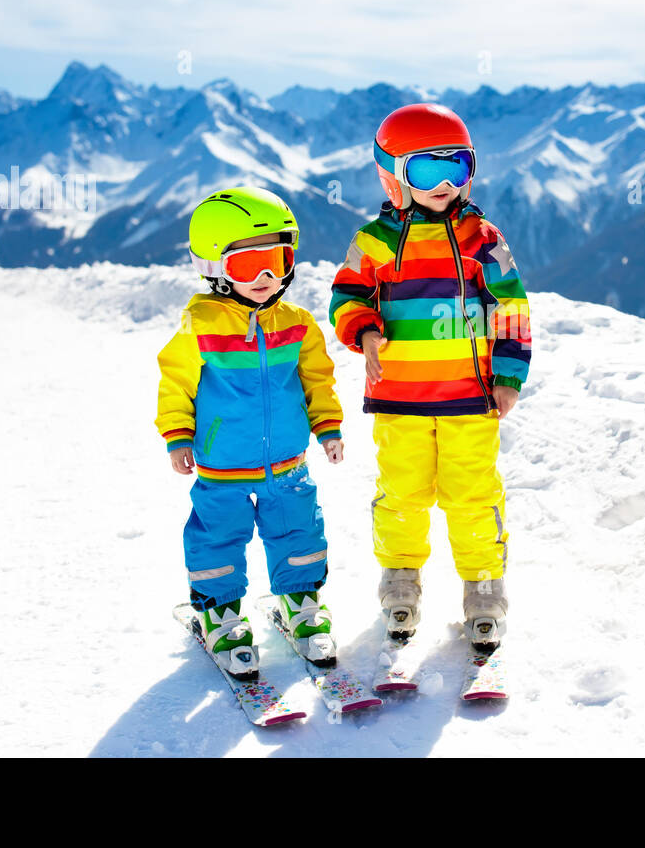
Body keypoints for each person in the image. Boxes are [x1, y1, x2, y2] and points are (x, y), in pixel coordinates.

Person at [329, 103, 531, 651]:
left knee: (473, 495)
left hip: (472, 399)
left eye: (456, 168)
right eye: (425, 170)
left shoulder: (482, 239)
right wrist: (366, 332)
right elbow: (346, 296)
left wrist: (509, 375)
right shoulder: (373, 242)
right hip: (400, 399)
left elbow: (511, 306)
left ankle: (484, 587)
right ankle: (400, 580)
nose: (443, 184)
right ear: (394, 176)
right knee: (403, 494)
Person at [156, 186, 344, 675]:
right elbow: (176, 383)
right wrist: (178, 435)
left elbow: (316, 380)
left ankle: (300, 605)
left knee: (299, 533)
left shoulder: (298, 324)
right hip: (221, 465)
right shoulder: (200, 324)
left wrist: (327, 427)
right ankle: (219, 614)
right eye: (247, 265)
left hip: (287, 462)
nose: (265, 278)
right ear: (215, 268)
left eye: (277, 261)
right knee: (218, 537)